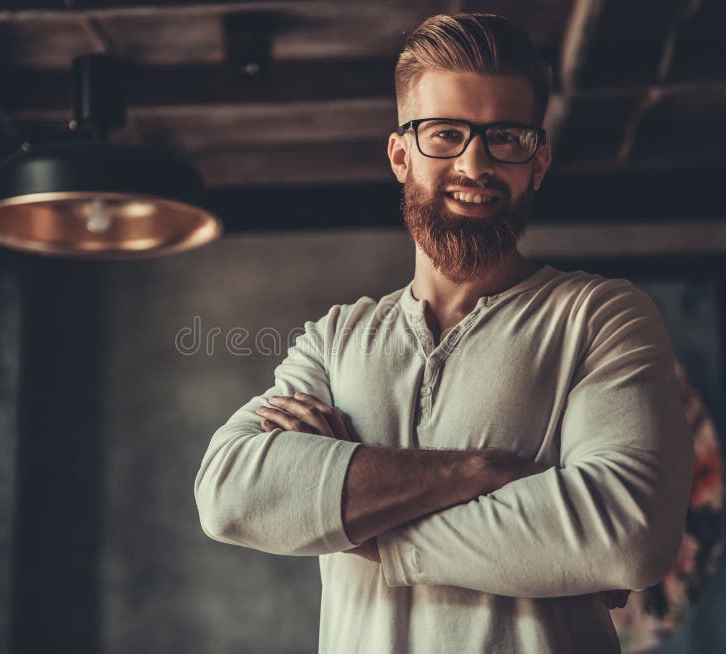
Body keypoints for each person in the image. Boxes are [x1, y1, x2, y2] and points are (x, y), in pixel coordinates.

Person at [194, 12, 693, 654]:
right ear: (401, 154)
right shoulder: (334, 339)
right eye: (446, 134)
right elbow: (231, 492)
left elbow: (628, 535)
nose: (474, 162)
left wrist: (361, 527)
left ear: (537, 162)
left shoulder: (602, 316)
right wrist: (477, 470)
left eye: (504, 137)